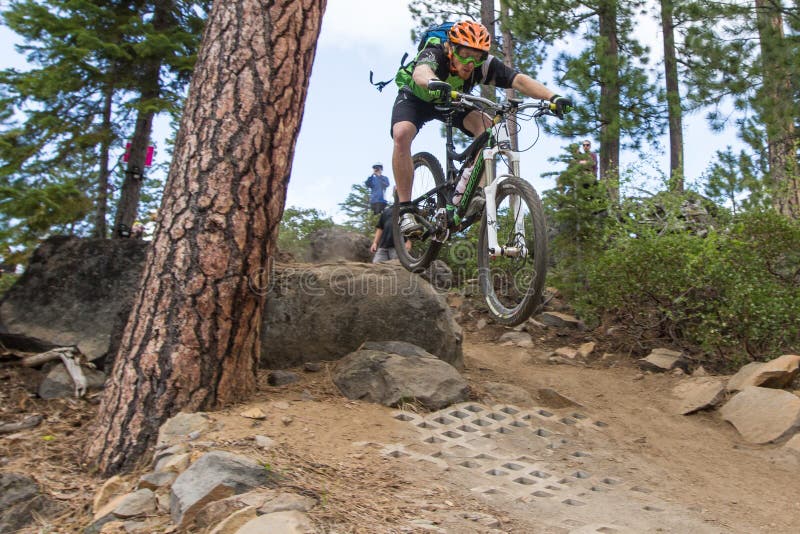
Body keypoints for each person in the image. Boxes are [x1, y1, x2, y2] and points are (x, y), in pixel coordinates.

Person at [391, 20, 573, 237]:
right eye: (465, 55)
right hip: (417, 98)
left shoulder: (483, 65)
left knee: (489, 127)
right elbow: (421, 71)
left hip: (452, 101)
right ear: (451, 48)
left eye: (476, 58)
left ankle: (470, 193)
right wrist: (432, 82)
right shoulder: (435, 52)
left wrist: (552, 97)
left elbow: (519, 81)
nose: (470, 63)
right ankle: (405, 210)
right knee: (402, 133)